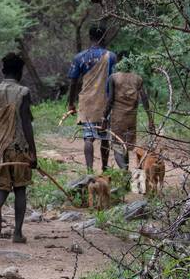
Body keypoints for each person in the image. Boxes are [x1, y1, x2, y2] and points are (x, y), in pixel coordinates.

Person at [0, 52, 38, 243]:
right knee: (20, 189)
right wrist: (33, 151)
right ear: (20, 71)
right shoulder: (23, 92)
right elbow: (27, 123)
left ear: (3, 70)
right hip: (19, 148)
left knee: (1, 186)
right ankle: (18, 233)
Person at [66, 23, 117, 172]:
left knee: (88, 137)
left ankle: (89, 171)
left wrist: (70, 103)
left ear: (90, 37)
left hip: (87, 102)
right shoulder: (111, 56)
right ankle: (105, 168)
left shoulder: (79, 57)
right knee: (105, 137)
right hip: (105, 102)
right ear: (104, 37)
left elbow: (73, 82)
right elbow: (115, 79)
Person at [108, 54, 154, 168]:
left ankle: (124, 170)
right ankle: (126, 171)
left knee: (118, 146)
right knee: (126, 146)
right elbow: (144, 99)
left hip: (118, 119)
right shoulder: (138, 79)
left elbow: (110, 100)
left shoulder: (113, 77)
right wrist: (150, 119)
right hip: (131, 119)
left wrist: (104, 118)